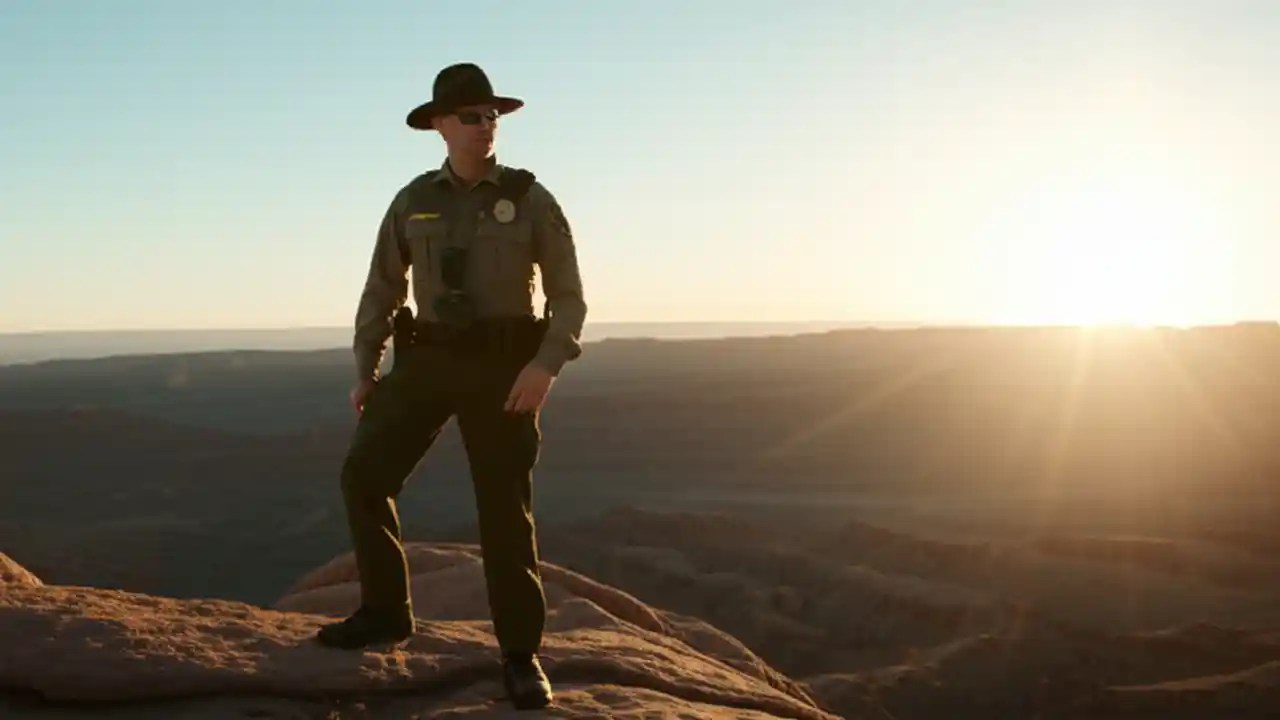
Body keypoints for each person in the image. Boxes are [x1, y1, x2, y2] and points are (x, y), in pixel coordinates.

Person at [315, 62, 587, 711]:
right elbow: (382, 288)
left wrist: (544, 365)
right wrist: (366, 366)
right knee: (365, 476)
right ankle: (386, 612)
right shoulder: (414, 201)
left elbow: (569, 297)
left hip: (504, 370)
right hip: (426, 363)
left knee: (502, 511)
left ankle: (520, 657)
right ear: (439, 125)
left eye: (492, 114)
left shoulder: (529, 198)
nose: (486, 125)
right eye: (472, 115)